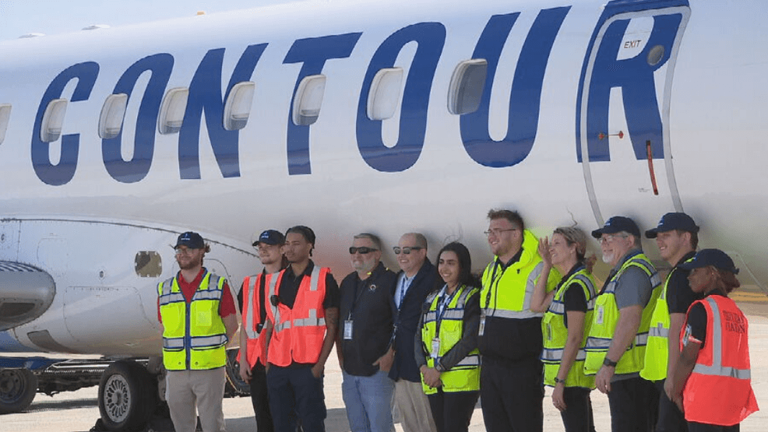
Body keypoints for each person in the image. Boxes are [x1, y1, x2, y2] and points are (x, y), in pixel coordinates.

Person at [477, 209, 560, 432]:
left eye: (497, 231)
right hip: (490, 369)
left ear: (516, 234)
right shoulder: (491, 270)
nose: (491, 236)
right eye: (489, 231)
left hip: (521, 371)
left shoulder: (539, 268)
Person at [584, 216, 662, 432]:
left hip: (633, 373)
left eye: (610, 238)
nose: (604, 243)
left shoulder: (633, 272)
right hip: (628, 372)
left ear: (629, 241)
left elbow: (629, 320)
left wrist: (609, 364)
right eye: (602, 239)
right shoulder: (622, 271)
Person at [667, 249, 759, 432]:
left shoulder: (702, 309)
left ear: (712, 272)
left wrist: (675, 390)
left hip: (705, 404)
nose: (689, 277)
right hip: (731, 405)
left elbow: (687, 357)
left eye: (695, 271)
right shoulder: (736, 313)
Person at [157, 231, 238, 432]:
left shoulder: (217, 285)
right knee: (182, 427)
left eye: (189, 249)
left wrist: (211, 352)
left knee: (212, 425)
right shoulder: (164, 289)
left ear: (202, 252)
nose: (183, 253)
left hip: (209, 371)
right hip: (176, 372)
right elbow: (164, 329)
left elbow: (232, 327)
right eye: (179, 249)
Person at [265, 226, 340, 432]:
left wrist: (318, 367)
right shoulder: (275, 281)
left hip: (307, 367)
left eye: (295, 243)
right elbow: (271, 324)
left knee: (312, 424)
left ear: (310, 246)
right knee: (282, 425)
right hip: (278, 366)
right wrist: (268, 364)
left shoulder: (324, 279)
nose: (289, 249)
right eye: (286, 244)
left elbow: (332, 327)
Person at [530, 227, 597, 432]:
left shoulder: (575, 286)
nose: (551, 248)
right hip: (572, 376)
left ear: (573, 248)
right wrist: (547, 266)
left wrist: (560, 381)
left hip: (571, 377)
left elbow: (575, 337)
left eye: (557, 243)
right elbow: (537, 305)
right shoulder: (567, 283)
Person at [641, 213, 701, 432]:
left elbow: (679, 329)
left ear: (685, 237)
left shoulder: (681, 275)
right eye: (657, 236)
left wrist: (673, 380)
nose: (659, 241)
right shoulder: (694, 270)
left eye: (666, 235)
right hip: (684, 374)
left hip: (675, 377)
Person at [415, 242, 481, 432]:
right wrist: (423, 367)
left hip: (460, 381)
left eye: (451, 263)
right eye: (441, 262)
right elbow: (418, 336)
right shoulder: (432, 297)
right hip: (432, 379)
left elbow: (470, 339)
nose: (444, 268)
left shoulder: (472, 296)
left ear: (463, 266)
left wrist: (439, 368)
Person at [337, 233, 397, 432]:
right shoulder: (347, 283)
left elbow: (401, 323)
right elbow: (338, 322)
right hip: (350, 371)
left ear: (377, 254)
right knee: (358, 427)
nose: (357, 255)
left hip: (376, 371)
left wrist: (391, 355)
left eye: (363, 250)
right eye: (353, 250)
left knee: (380, 427)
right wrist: (340, 356)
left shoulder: (390, 281)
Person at [238, 229, 287, 432]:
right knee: (263, 421)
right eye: (260, 247)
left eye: (269, 246)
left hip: (283, 361)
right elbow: (245, 325)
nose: (263, 250)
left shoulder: (292, 280)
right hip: (256, 363)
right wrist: (242, 361)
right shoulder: (249, 283)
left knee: (286, 420)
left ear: (282, 249)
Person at [390, 232, 438, 432]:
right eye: (398, 250)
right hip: (400, 363)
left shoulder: (434, 278)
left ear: (423, 252)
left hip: (422, 364)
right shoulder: (398, 278)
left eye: (407, 251)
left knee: (428, 423)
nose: (401, 255)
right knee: (408, 423)